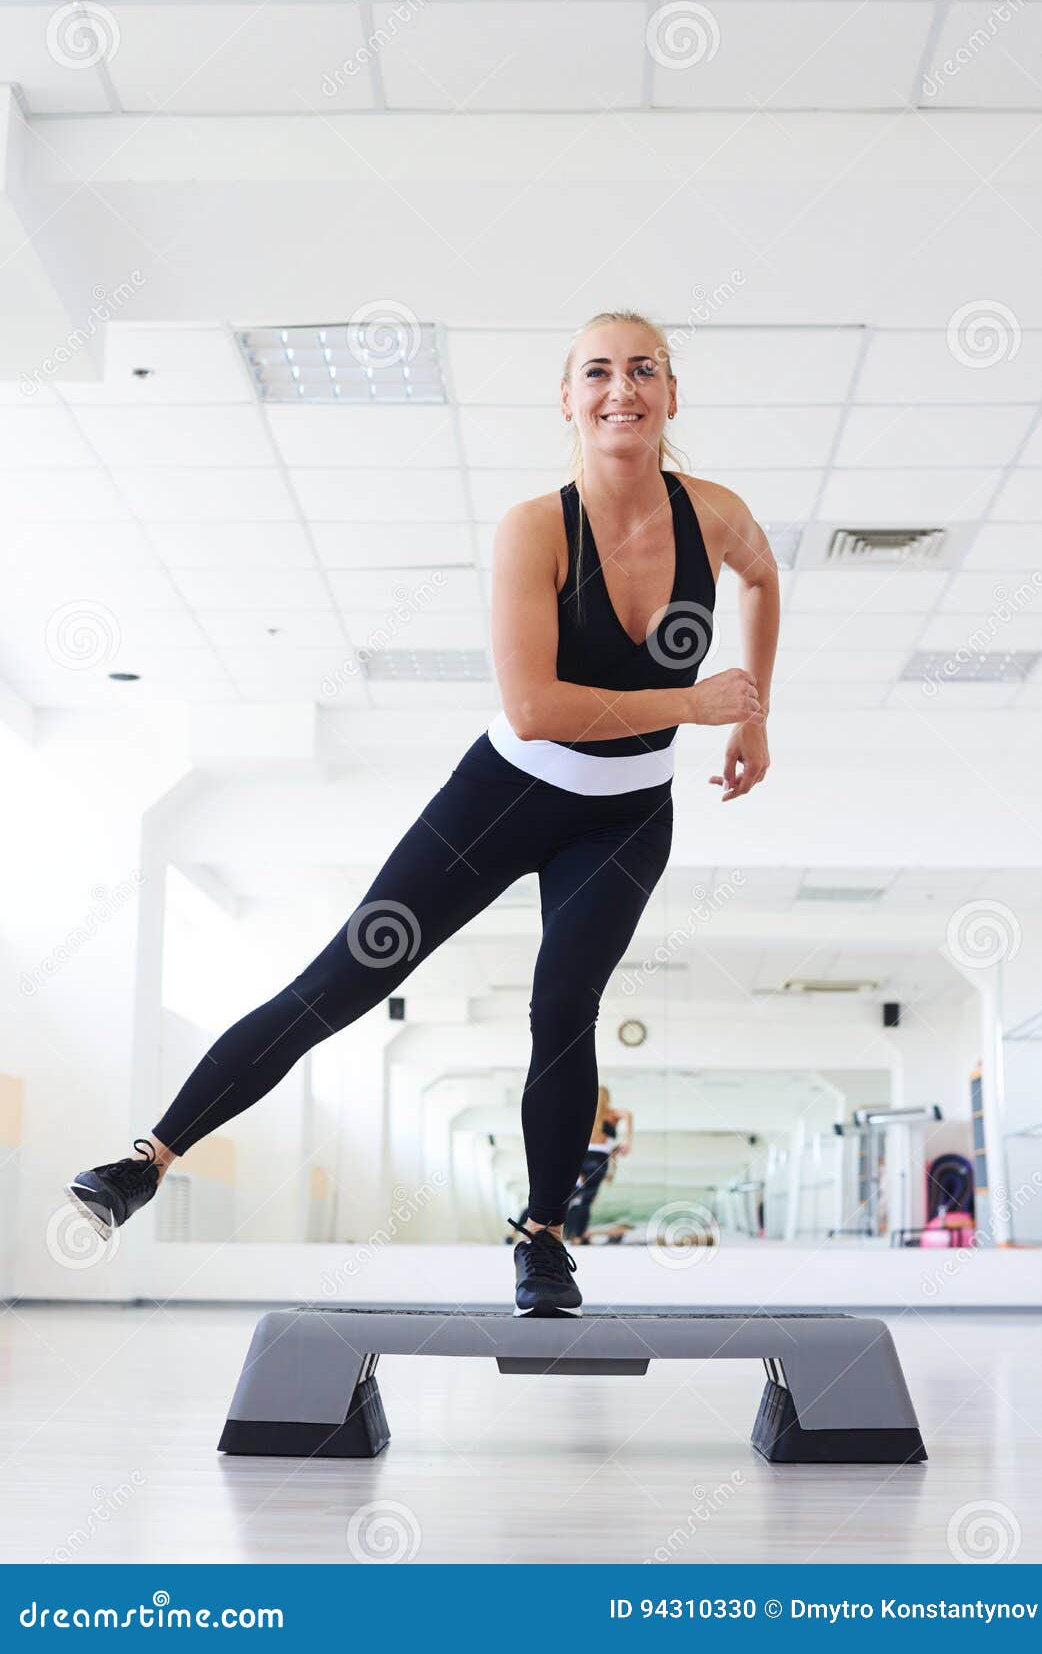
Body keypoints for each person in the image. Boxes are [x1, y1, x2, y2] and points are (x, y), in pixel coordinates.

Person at [64, 308, 777, 1319]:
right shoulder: (535, 528)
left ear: (670, 392)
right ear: (567, 399)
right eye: (598, 372)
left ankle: (543, 1240)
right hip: (505, 793)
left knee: (563, 1008)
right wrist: (693, 705)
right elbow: (536, 708)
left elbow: (764, 578)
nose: (622, 389)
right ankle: (145, 1161)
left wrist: (754, 715)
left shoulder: (716, 515)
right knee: (347, 977)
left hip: (623, 815)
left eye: (643, 370)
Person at [563, 1084, 632, 1244]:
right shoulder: (611, 1115)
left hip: (581, 1159)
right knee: (586, 1201)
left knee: (568, 1198)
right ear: (607, 1099)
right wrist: (628, 1141)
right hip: (599, 1162)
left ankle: (563, 1231)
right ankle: (578, 1235)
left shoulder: (586, 1115)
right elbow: (627, 1114)